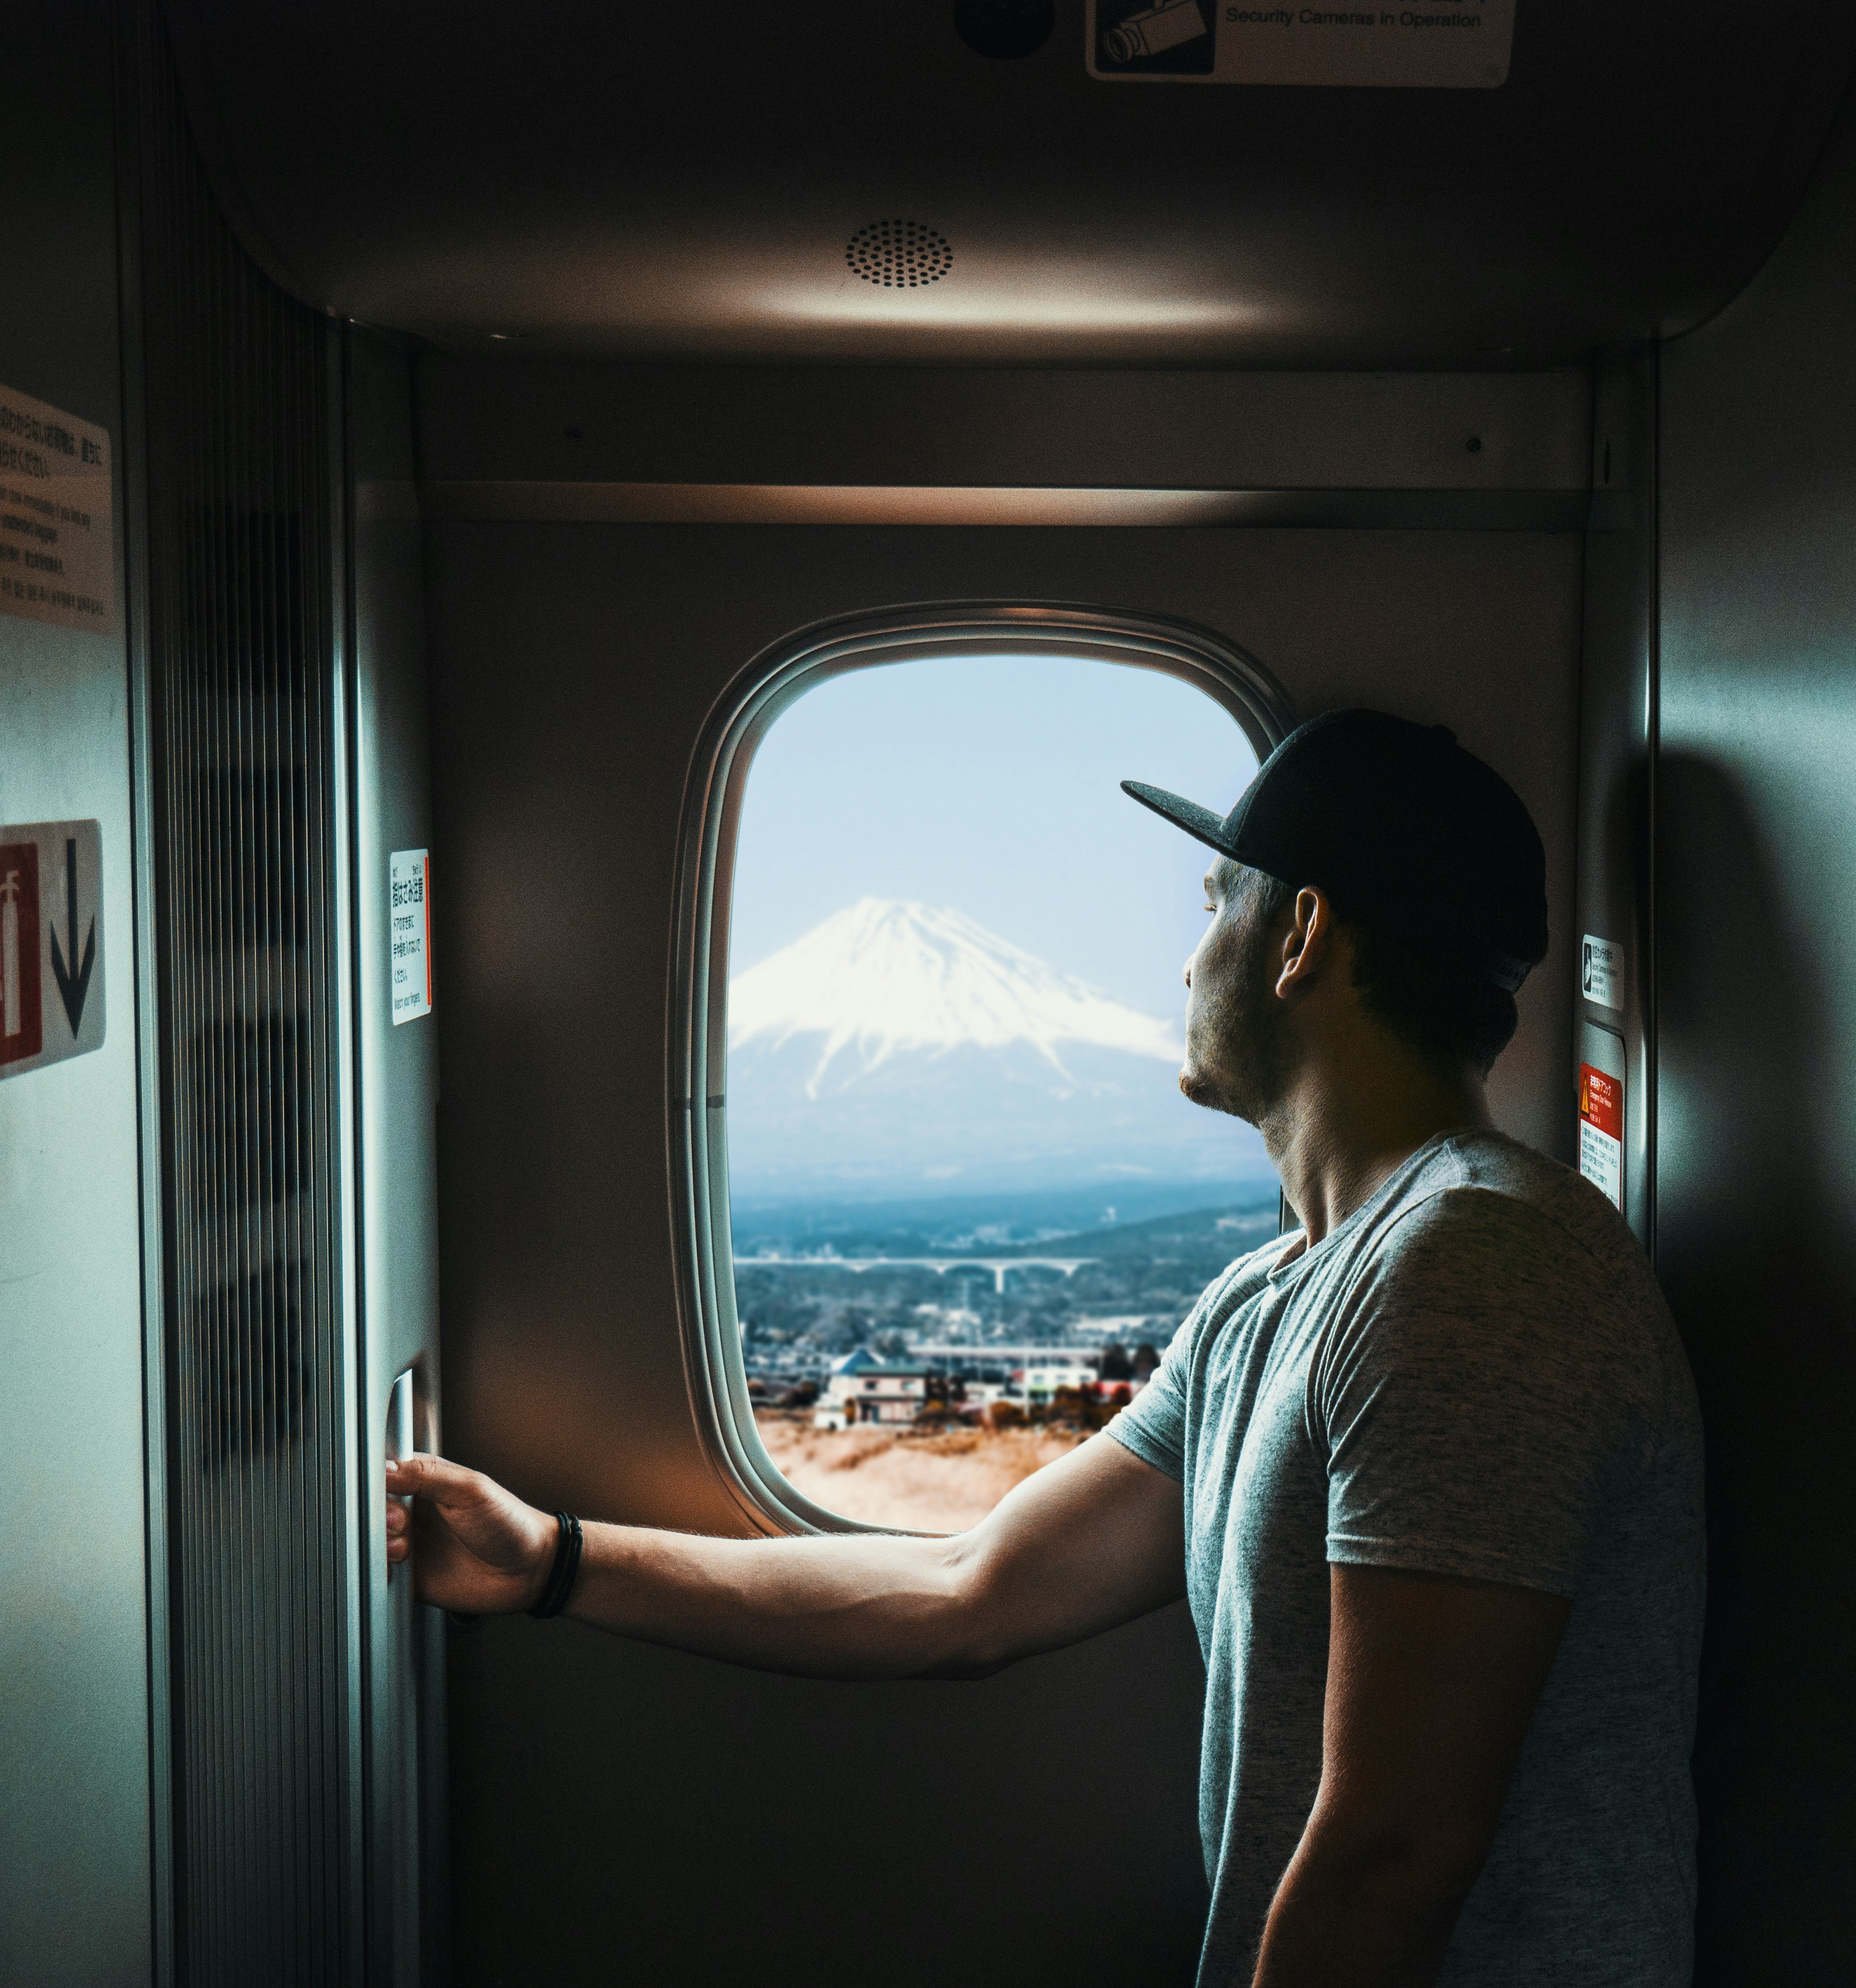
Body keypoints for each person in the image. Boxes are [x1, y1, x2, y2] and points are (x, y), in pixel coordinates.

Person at [386, 708, 1705, 1988]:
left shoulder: (1476, 1274)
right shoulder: (1277, 1295)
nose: (1190, 962)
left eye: (1211, 906)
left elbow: (1391, 1857)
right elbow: (973, 1587)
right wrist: (554, 1559)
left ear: (1300, 934)